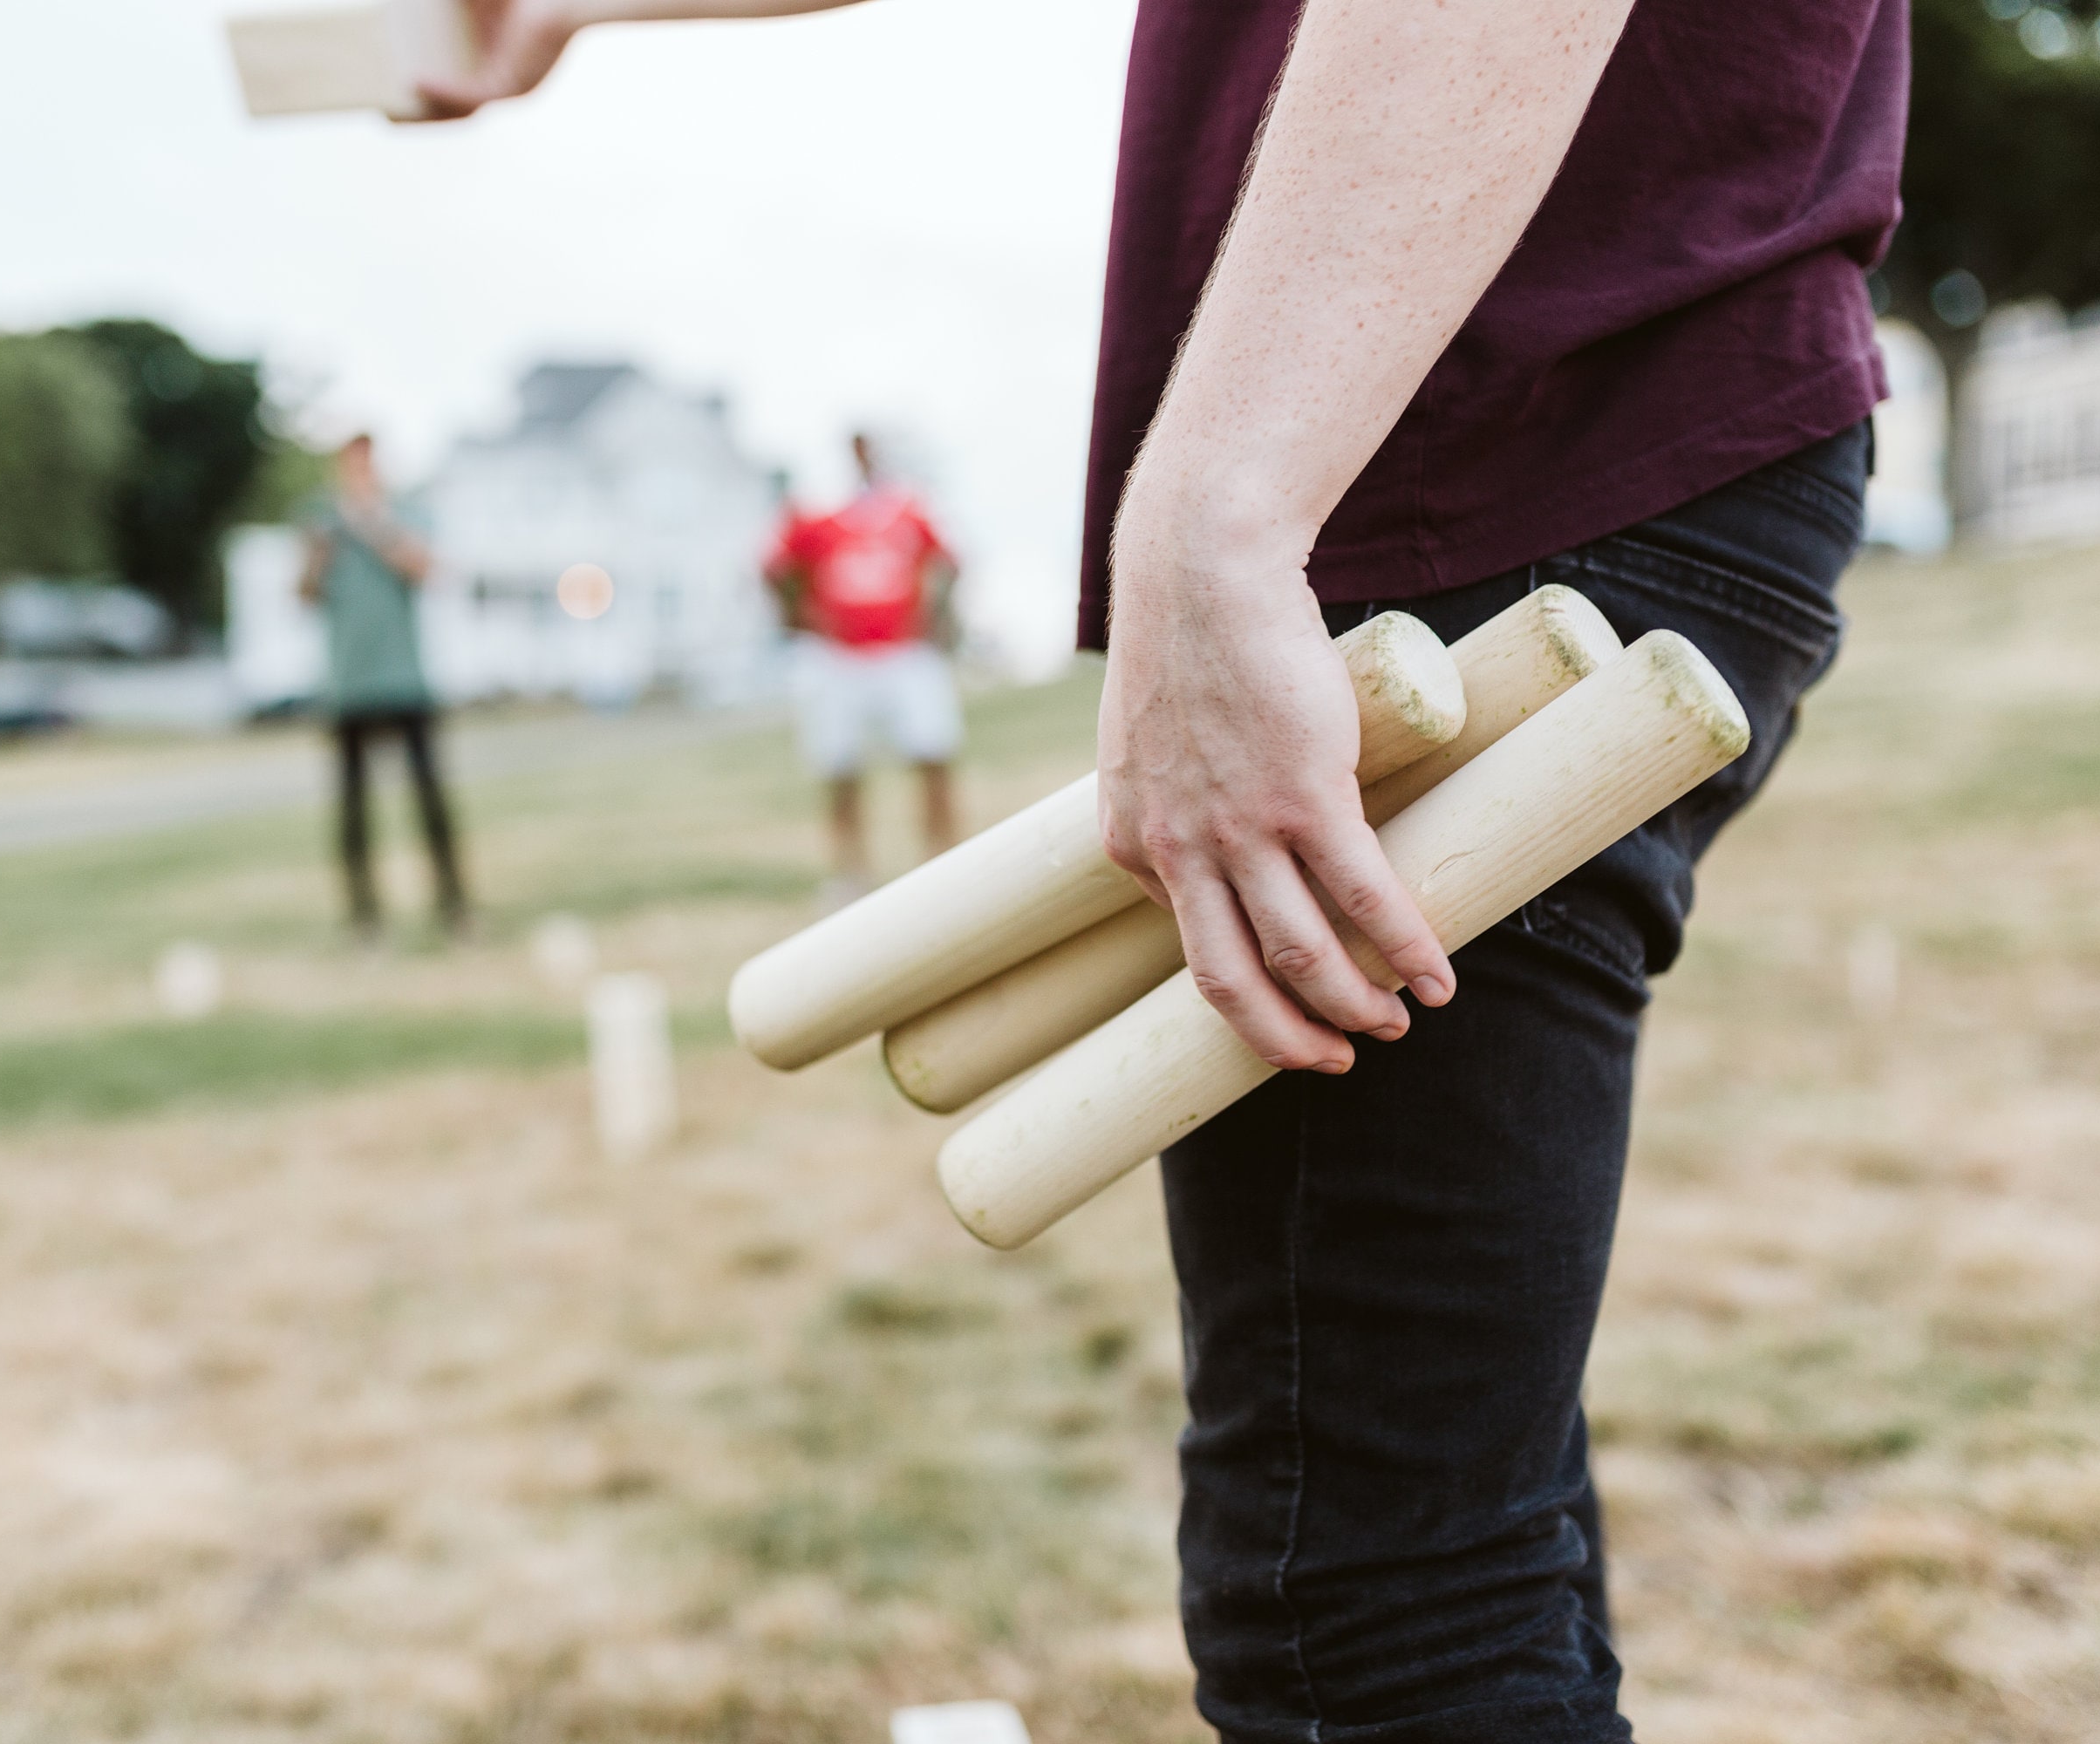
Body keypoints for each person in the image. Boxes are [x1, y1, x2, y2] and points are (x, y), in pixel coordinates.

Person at [425, 3, 1899, 1736]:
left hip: (1486, 450)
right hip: (1581, 422)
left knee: (1376, 1627)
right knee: (1429, 1554)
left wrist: (1219, 511)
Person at [763, 433, 963, 902]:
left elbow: (948, 561)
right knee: (841, 766)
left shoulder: (908, 508)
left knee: (933, 754)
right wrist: (797, 618)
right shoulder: (814, 513)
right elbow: (774, 568)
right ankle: (850, 872)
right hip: (839, 659)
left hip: (904, 651)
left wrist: (935, 617)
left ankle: (945, 861)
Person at [299, 433, 470, 941]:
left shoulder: (406, 514)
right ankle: (364, 919)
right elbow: (304, 593)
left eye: (367, 462)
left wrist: (371, 526)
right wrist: (322, 548)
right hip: (347, 686)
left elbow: (424, 570)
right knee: (353, 813)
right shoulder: (317, 518)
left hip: (405, 681)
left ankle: (454, 908)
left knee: (431, 802)